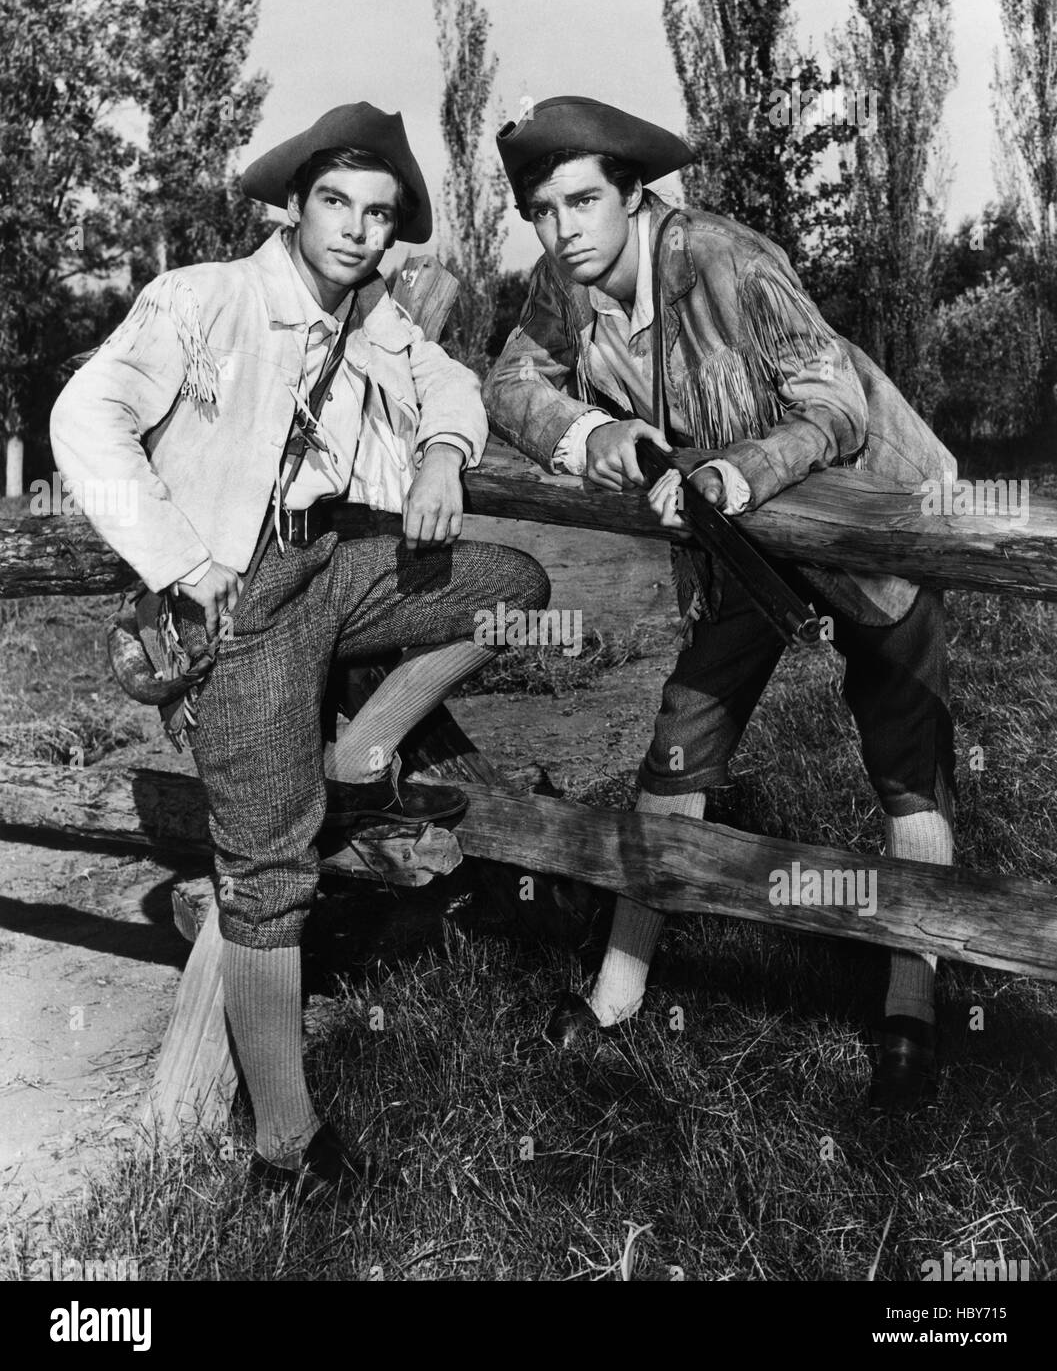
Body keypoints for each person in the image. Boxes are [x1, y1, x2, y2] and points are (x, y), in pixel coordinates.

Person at [51, 102, 549, 1199]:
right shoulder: (204, 299)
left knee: (512, 588)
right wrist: (187, 564)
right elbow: (84, 420)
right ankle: (288, 1146)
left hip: (341, 569)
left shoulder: (371, 318)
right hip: (239, 604)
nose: (360, 230)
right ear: (295, 202)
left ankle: (360, 760)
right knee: (268, 872)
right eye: (338, 202)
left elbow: (447, 382)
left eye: (380, 214)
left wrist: (443, 456)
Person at [483, 95, 956, 1114]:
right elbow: (510, 383)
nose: (562, 229)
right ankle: (616, 997)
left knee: (904, 772)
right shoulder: (560, 286)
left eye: (581, 202)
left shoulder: (724, 259)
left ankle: (910, 1011)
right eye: (541, 210)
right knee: (679, 747)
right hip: (736, 546)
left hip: (870, 517)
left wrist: (739, 470)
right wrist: (588, 437)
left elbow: (837, 404)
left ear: (633, 195)